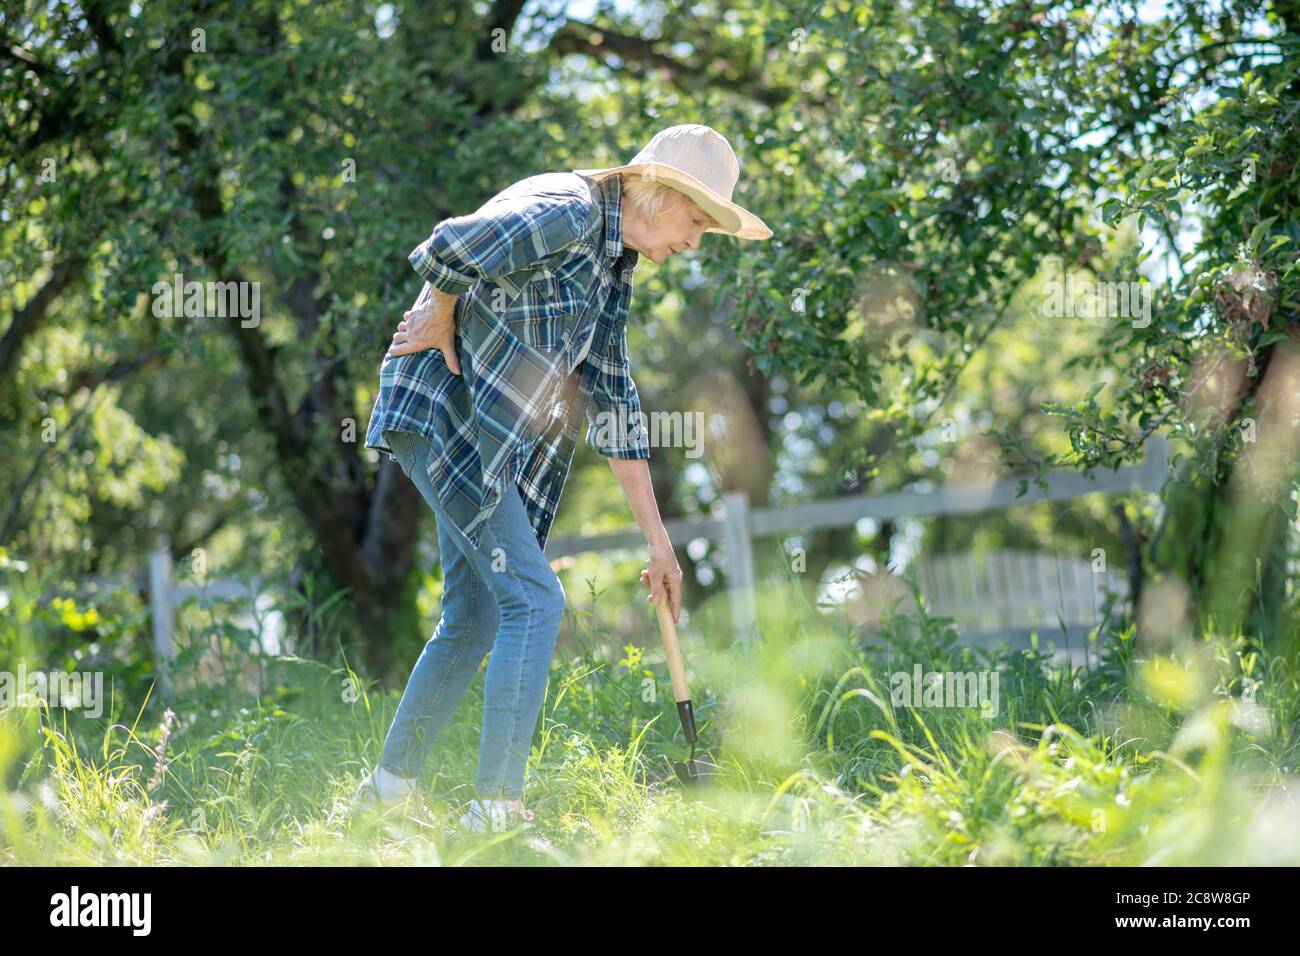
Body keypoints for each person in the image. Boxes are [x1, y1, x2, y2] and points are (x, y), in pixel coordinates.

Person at [353, 124, 772, 829]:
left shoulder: (613, 270)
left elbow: (612, 400)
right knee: (535, 600)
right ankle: (494, 812)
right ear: (656, 190)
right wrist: (439, 311)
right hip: (443, 419)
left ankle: (387, 796)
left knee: (479, 613)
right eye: (697, 220)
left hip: (480, 443)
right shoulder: (570, 210)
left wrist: (657, 544)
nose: (696, 241)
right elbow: (453, 244)